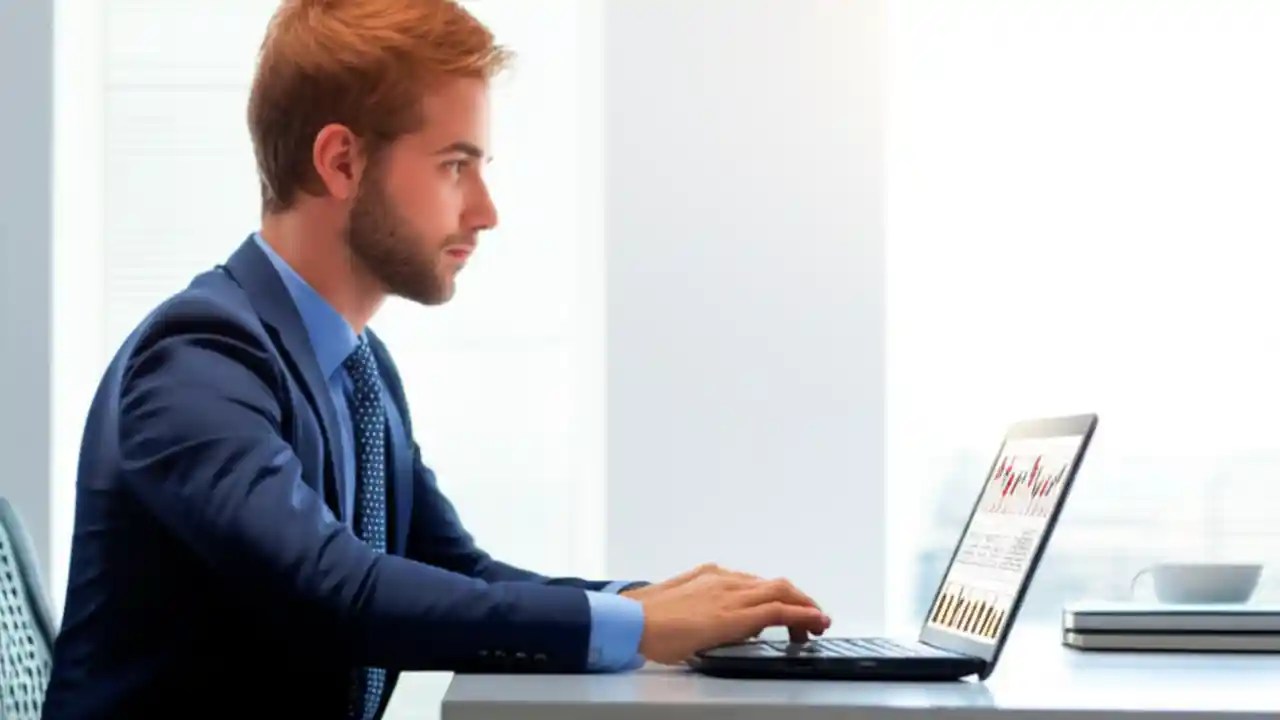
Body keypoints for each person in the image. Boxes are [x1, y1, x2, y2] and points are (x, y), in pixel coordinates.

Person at [41, 1, 829, 718]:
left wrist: (645, 602)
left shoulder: (360, 370)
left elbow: (462, 574)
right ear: (342, 162)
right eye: (456, 164)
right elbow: (337, 590)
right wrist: (638, 624)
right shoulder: (197, 361)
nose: (485, 211)